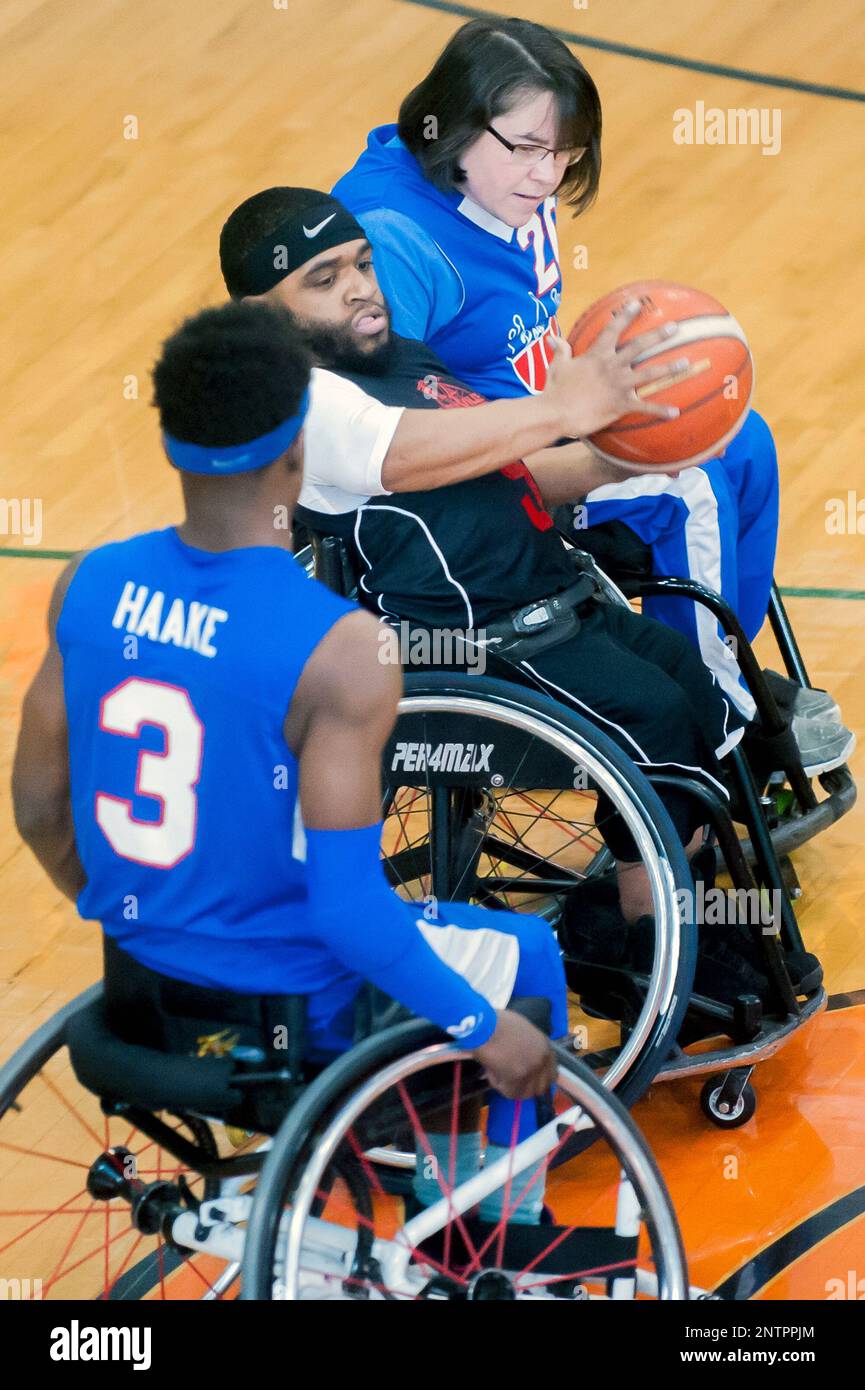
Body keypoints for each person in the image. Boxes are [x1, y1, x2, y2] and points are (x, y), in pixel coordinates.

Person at [11, 300, 569, 1226]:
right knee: (527, 953)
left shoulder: (89, 583)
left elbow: (37, 808)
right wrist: (487, 1028)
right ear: (299, 447)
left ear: (172, 442)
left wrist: (146, 914)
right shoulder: (341, 646)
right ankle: (487, 1237)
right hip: (291, 1004)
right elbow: (349, 910)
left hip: (138, 987)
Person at [331, 15, 853, 771]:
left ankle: (719, 675)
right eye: (528, 148)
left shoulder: (493, 173)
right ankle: (714, 731)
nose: (547, 174)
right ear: (454, 122)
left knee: (743, 439)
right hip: (485, 480)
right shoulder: (397, 244)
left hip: (550, 415)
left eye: (564, 152)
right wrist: (583, 439)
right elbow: (394, 441)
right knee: (689, 485)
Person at [219, 186, 750, 924]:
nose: (361, 290)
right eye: (324, 279)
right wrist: (560, 409)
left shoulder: (400, 355)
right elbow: (401, 458)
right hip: (469, 648)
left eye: (362, 265)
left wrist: (620, 460)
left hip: (551, 613)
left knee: (686, 682)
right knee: (652, 723)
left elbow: (508, 470)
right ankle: (659, 958)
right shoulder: (298, 403)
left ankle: (664, 902)